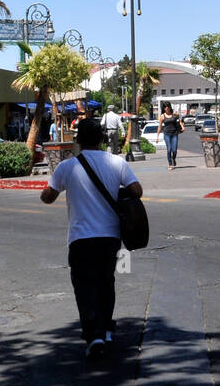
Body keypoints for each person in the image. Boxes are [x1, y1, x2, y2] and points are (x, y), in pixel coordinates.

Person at [40, 117, 143, 361]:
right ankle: (105, 329)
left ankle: (94, 334)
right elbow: (137, 191)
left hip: (81, 239)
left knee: (84, 287)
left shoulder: (67, 167)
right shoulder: (116, 162)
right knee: (106, 282)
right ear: (102, 139)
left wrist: (50, 189)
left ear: (77, 141)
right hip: (110, 237)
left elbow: (47, 197)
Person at [160, 103, 182, 170]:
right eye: (165, 107)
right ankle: (170, 164)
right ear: (164, 108)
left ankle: (173, 159)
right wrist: (158, 135)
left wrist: (182, 127)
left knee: (174, 150)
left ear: (170, 107)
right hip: (167, 134)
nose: (167, 108)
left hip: (174, 134)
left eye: (168, 107)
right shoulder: (162, 116)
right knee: (169, 149)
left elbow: (179, 122)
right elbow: (159, 126)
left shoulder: (174, 115)